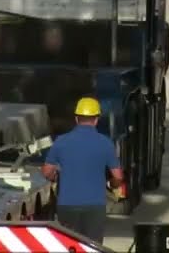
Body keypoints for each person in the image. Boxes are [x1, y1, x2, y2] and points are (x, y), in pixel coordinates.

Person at [42, 97, 124, 245]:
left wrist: (54, 177)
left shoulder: (61, 141)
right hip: (95, 207)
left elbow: (47, 172)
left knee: (69, 245)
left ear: (76, 118)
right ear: (96, 119)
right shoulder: (106, 143)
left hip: (67, 206)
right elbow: (118, 177)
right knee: (92, 247)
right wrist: (112, 185)